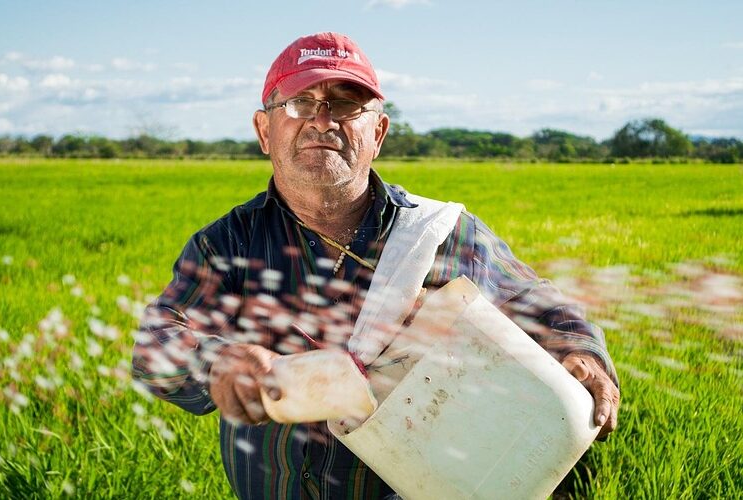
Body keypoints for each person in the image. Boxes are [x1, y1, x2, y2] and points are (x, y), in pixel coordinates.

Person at [132, 31, 620, 499]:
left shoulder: (437, 234)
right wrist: (216, 361)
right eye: (299, 103)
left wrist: (583, 353)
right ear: (265, 129)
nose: (322, 120)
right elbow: (155, 343)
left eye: (346, 105)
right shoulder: (229, 243)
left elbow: (534, 300)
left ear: (378, 132)